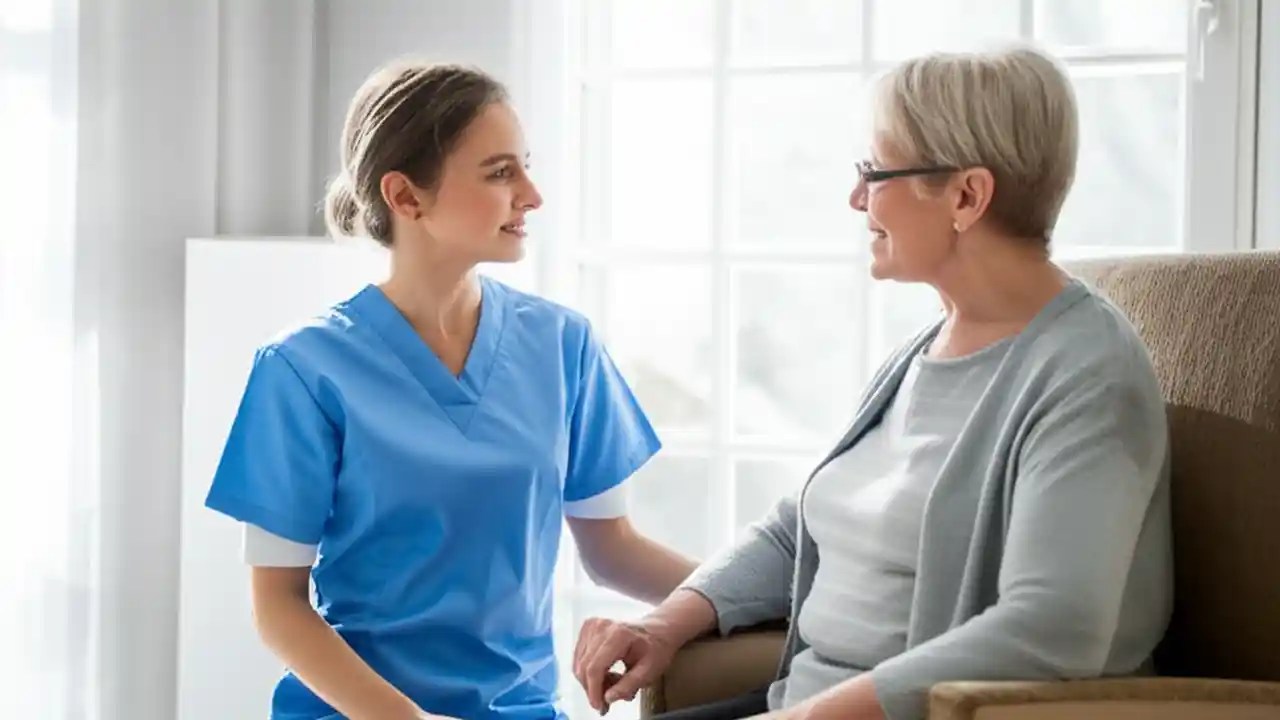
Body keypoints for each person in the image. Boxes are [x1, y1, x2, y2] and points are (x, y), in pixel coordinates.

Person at [572, 45, 1173, 720]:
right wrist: (667, 622)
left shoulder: (1085, 374)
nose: (856, 197)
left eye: (874, 172)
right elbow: (802, 529)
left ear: (966, 196)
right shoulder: (922, 351)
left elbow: (1054, 626)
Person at [205, 59, 695, 720]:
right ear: (407, 198)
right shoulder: (303, 370)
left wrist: (767, 595)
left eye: (526, 165)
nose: (532, 194)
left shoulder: (564, 347)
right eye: (500, 172)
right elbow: (278, 607)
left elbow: (613, 552)